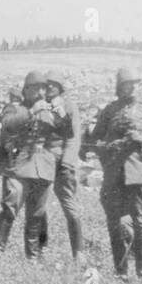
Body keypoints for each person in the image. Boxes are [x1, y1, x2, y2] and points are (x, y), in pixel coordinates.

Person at [92, 68, 142, 278]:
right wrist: (108, 147)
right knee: (113, 221)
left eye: (133, 84)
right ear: (119, 87)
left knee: (140, 221)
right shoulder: (109, 110)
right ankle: (120, 270)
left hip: (138, 172)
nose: (130, 88)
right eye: (126, 84)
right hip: (114, 172)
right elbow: (95, 139)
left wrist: (141, 138)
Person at [0, 71, 62, 257]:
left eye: (42, 88)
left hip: (43, 167)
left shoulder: (50, 110)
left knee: (37, 214)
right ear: (26, 90)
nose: (40, 92)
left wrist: (53, 156)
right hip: (19, 166)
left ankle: (33, 256)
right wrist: (31, 112)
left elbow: (58, 137)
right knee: (10, 207)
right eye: (35, 88)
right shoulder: (15, 108)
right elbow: (7, 123)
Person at [44, 70, 84, 259]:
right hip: (43, 160)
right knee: (39, 206)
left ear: (61, 88)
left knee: (69, 206)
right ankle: (40, 249)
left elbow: (73, 138)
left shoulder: (69, 106)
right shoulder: (40, 105)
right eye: (47, 84)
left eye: (54, 84)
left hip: (62, 163)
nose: (50, 87)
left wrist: (67, 163)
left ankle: (79, 252)